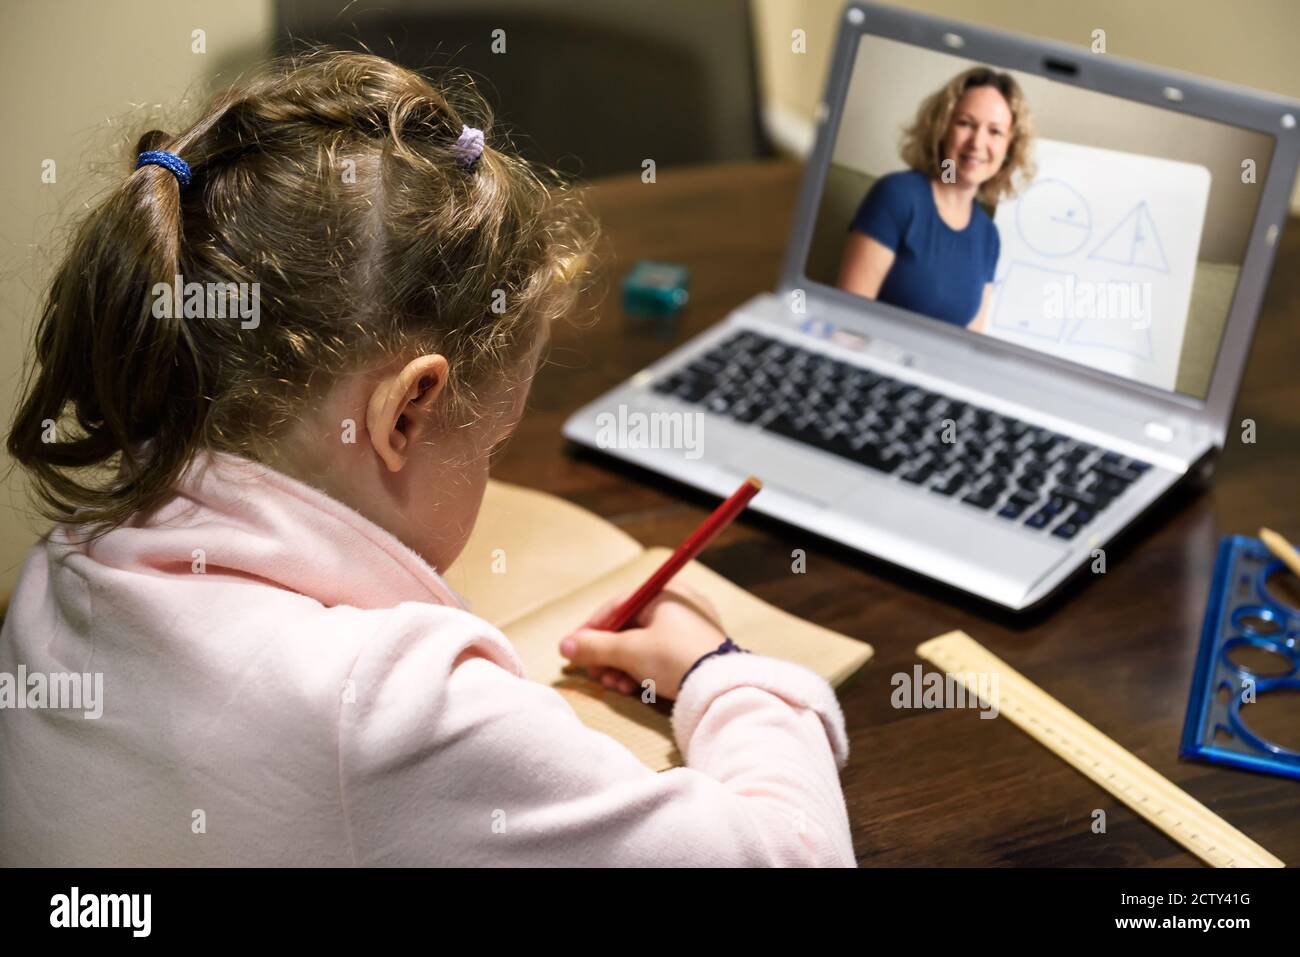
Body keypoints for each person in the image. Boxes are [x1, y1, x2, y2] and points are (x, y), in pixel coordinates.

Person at [0, 51, 854, 866]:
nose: (489, 469)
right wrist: (724, 675)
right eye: (492, 444)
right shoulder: (386, 709)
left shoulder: (55, 573)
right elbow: (792, 856)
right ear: (406, 409)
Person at [837, 66, 1035, 330]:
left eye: (995, 132)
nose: (977, 143)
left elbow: (970, 343)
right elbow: (846, 321)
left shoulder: (988, 237)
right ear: (942, 130)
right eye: (965, 123)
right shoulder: (897, 196)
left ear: (1008, 149)